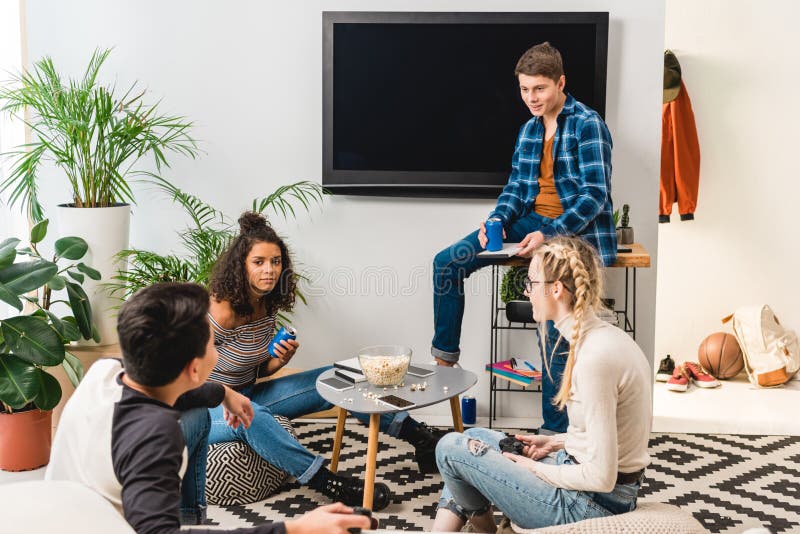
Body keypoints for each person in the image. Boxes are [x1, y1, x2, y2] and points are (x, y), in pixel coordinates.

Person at [46, 282, 372, 534]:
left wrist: (224, 392)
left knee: (197, 413)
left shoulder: (104, 373)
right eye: (211, 343)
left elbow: (188, 393)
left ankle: (191, 519)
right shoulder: (156, 434)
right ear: (193, 368)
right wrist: (294, 528)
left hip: (55, 517)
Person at [186, 211, 444, 512]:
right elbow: (186, 376)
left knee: (340, 377)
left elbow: (252, 370)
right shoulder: (220, 311)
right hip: (205, 408)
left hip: (248, 392)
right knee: (251, 413)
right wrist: (226, 397)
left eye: (276, 261)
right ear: (240, 266)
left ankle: (420, 438)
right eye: (259, 262)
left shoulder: (265, 302)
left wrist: (277, 362)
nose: (269, 270)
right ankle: (328, 483)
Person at [431, 42, 617, 433]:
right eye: (524, 89)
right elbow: (516, 188)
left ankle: (554, 433)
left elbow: (594, 195)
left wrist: (547, 233)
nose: (531, 98)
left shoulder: (588, 124)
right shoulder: (529, 130)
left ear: (560, 82)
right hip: (531, 221)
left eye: (540, 89)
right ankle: (445, 360)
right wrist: (496, 219)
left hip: (574, 233)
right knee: (447, 262)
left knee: (552, 322)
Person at [431, 236, 651, 532]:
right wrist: (555, 442)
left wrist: (537, 469)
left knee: (450, 447)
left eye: (531, 283)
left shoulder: (595, 359)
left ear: (556, 289)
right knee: (476, 438)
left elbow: (602, 476)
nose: (526, 292)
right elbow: (606, 435)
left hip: (591, 503)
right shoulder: (601, 338)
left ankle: (484, 530)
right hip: (582, 476)